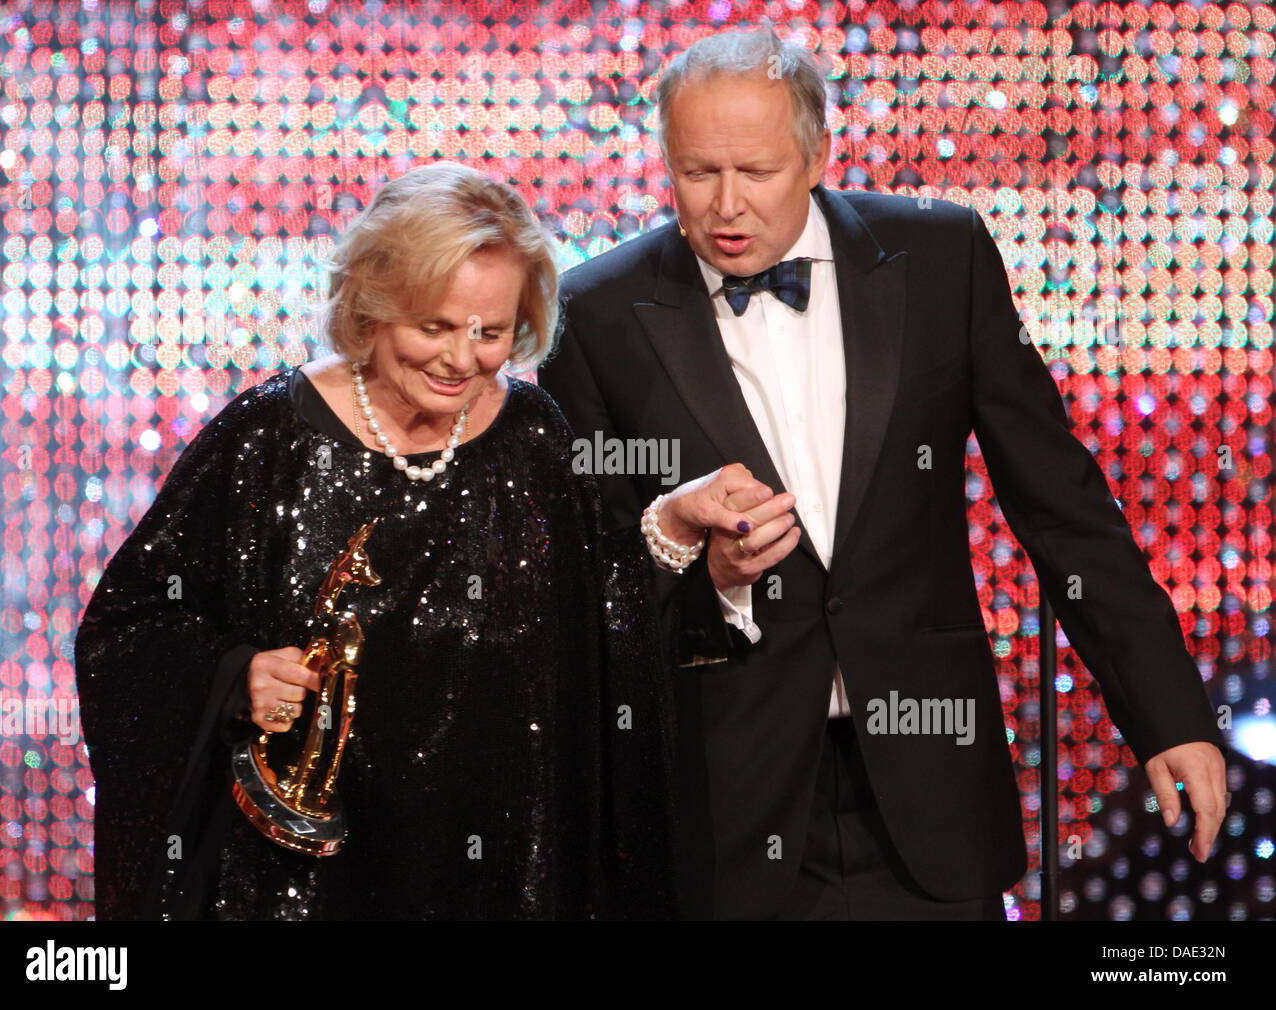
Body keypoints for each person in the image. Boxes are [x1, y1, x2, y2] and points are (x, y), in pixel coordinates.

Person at [539, 25, 1228, 920]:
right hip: (724, 809)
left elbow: (1062, 505)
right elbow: (590, 592)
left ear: (820, 152)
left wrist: (1168, 715)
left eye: (756, 171)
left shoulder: (941, 259)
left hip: (930, 791)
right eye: (697, 173)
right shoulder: (595, 315)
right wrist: (702, 572)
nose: (725, 206)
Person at [75, 162, 718, 920]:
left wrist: (672, 529)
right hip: (305, 882)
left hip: (501, 876)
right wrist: (234, 675)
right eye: (434, 326)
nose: (460, 360)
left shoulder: (535, 435)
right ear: (373, 304)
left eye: (491, 331)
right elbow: (126, 631)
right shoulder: (266, 439)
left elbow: (595, 634)